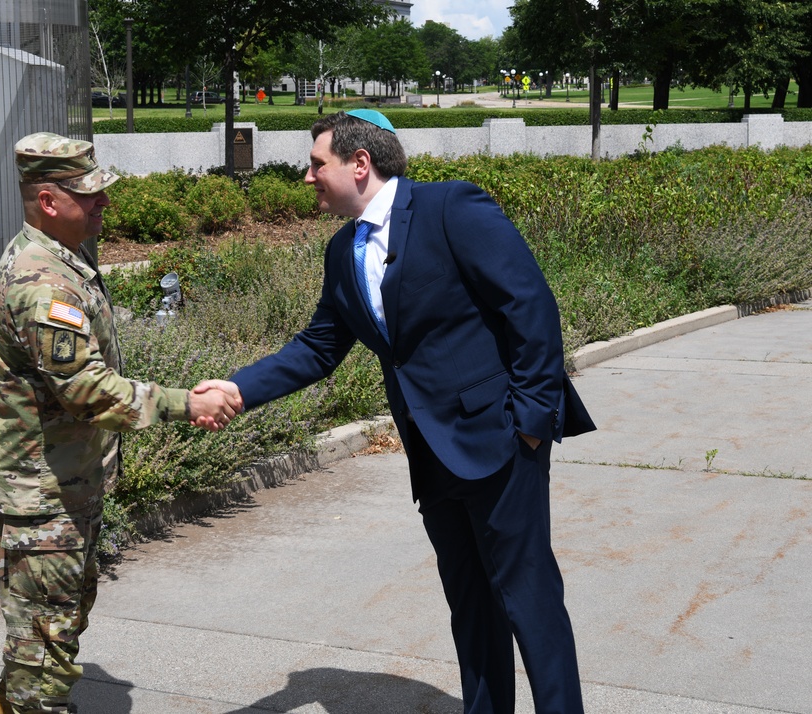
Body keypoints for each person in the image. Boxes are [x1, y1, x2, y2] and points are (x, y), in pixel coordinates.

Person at [197, 110, 596, 713]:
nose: (308, 178)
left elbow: (529, 305)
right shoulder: (342, 252)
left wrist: (532, 423)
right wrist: (236, 387)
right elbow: (318, 347)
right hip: (431, 455)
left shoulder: (451, 208)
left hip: (501, 440)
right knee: (470, 604)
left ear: (359, 164)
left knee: (528, 597)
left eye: (316, 164)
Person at [0, 132, 241, 714]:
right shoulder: (43, 283)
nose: (103, 204)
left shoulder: (63, 258)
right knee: (44, 649)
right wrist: (186, 403)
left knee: (56, 626)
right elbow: (89, 392)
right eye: (88, 195)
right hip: (40, 496)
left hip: (64, 486)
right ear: (48, 201)